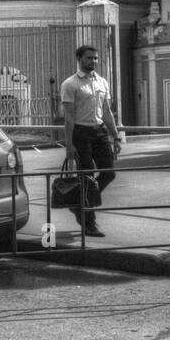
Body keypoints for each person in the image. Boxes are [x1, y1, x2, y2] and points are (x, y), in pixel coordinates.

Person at [60, 45, 121, 237]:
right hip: (80, 132)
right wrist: (69, 145)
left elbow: (107, 111)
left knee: (108, 173)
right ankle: (89, 223)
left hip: (99, 131)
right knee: (86, 177)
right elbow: (68, 117)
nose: (93, 61)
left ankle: (79, 204)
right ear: (79, 59)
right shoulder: (70, 84)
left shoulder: (102, 81)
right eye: (89, 58)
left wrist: (115, 136)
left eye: (95, 58)